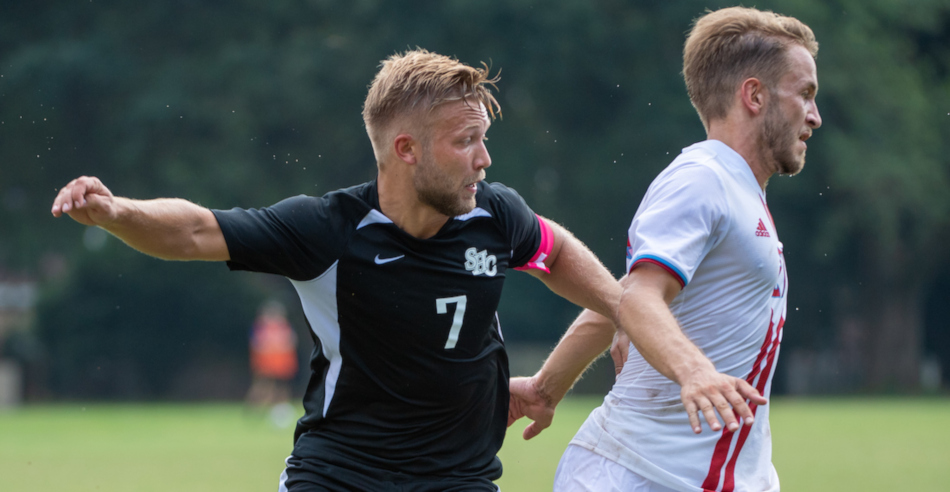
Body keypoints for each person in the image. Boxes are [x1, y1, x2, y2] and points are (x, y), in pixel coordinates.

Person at [51, 49, 621, 491]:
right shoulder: (327, 230)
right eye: (466, 141)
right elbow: (196, 229)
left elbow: (558, 254)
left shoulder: (495, 213)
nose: (484, 158)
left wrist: (621, 318)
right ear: (406, 149)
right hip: (340, 476)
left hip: (460, 479)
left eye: (483, 139)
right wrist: (117, 212)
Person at [508, 7, 822, 492]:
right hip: (635, 474)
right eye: (805, 94)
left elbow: (621, 297)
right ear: (754, 95)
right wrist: (694, 371)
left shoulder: (735, 189)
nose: (814, 116)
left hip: (707, 476)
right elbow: (637, 299)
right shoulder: (702, 179)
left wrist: (546, 388)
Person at [246, 300, 299, 427]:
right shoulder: (261, 327)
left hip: (282, 364)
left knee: (281, 389)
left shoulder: (284, 327)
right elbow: (256, 343)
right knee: (263, 388)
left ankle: (279, 413)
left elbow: (291, 341)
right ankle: (253, 412)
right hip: (265, 364)